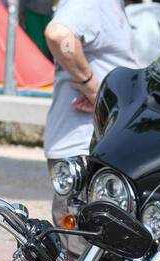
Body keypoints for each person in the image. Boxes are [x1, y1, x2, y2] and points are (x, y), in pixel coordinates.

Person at [42, 0, 134, 229]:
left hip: (97, 149)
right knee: (76, 258)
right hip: (82, 150)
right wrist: (93, 88)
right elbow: (58, 35)